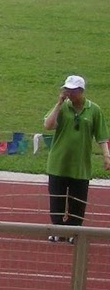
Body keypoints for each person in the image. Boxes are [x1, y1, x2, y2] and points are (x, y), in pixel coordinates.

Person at [43, 75, 110, 241]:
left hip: (80, 164)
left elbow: (101, 135)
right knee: (57, 198)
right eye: (67, 89)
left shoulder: (93, 110)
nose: (69, 93)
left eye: (73, 90)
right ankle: (57, 229)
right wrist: (58, 104)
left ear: (81, 91)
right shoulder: (62, 108)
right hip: (59, 162)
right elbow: (48, 125)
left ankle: (74, 230)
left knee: (78, 200)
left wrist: (106, 155)